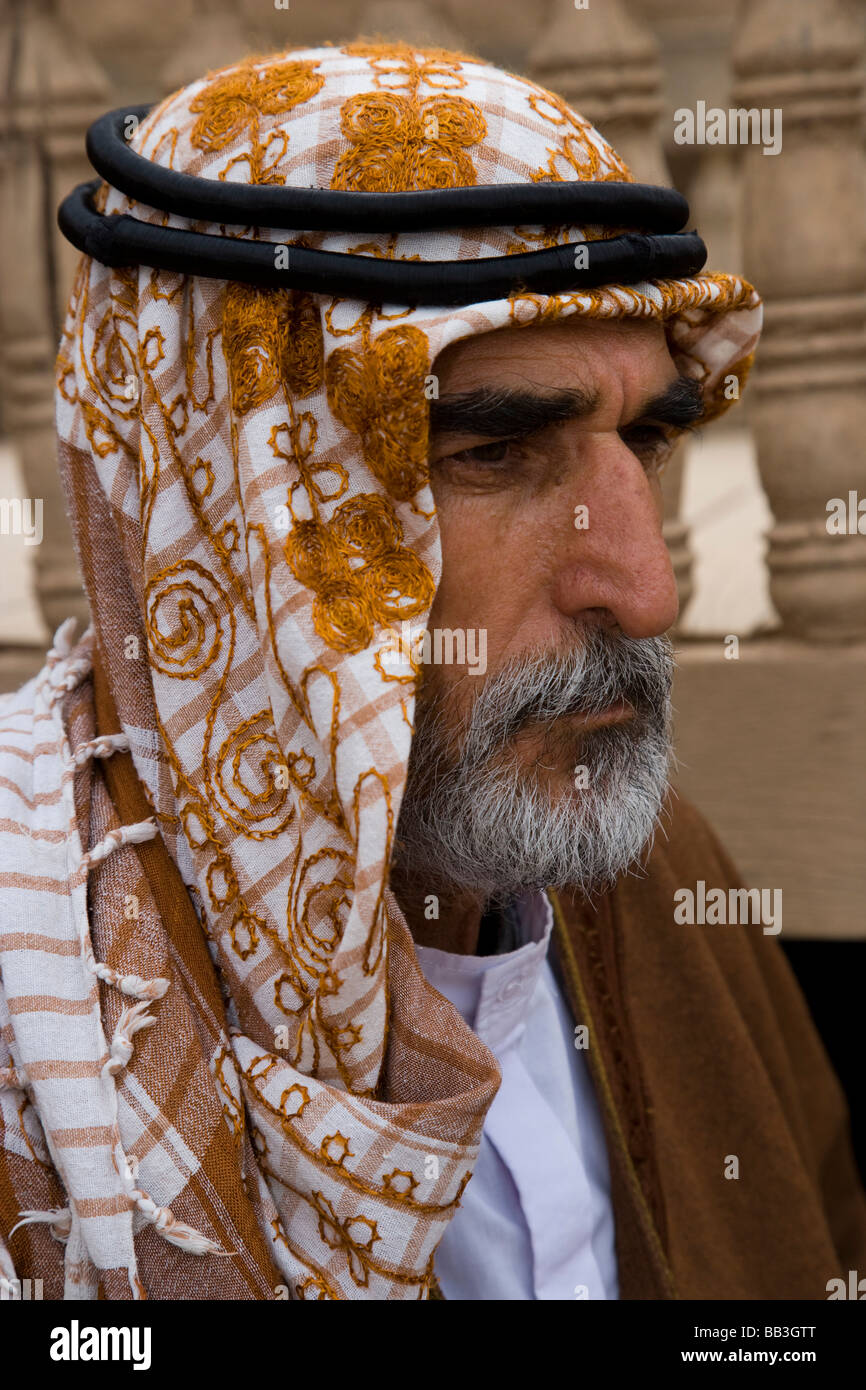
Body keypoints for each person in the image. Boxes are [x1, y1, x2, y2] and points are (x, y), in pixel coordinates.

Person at [0, 38, 863, 1302]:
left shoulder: (647, 869)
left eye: (643, 440)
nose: (646, 589)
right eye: (496, 455)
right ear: (229, 516)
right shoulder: (45, 999)